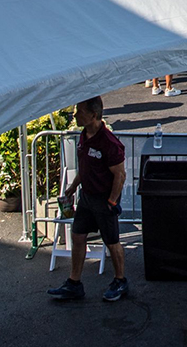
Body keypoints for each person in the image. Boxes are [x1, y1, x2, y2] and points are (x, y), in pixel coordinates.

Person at [48, 96, 129, 303]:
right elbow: (85, 167)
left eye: (80, 112)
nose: (75, 115)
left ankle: (120, 281)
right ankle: (74, 283)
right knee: (77, 237)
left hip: (104, 200)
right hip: (87, 197)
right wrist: (73, 187)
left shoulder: (109, 143)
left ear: (94, 115)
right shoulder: (84, 135)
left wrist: (111, 201)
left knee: (112, 241)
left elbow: (120, 175)